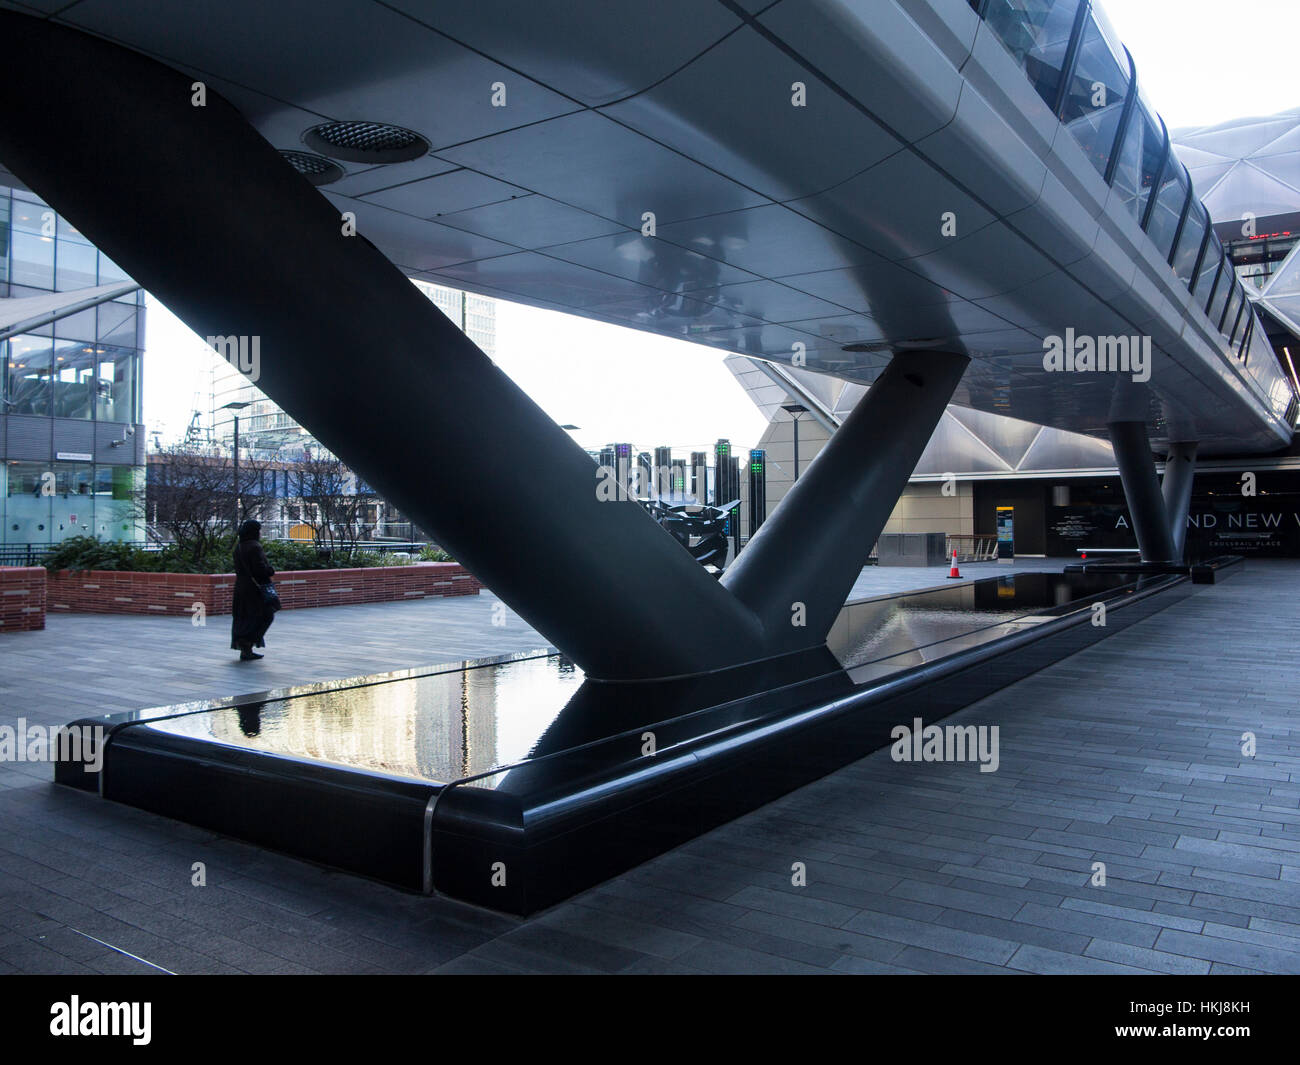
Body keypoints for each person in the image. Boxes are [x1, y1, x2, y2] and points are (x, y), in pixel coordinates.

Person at [230, 519, 275, 661]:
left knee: (244, 618)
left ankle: (245, 649)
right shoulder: (255, 547)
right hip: (255, 589)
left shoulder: (239, 547)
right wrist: (270, 570)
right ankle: (248, 642)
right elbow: (260, 569)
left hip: (241, 588)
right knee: (266, 615)